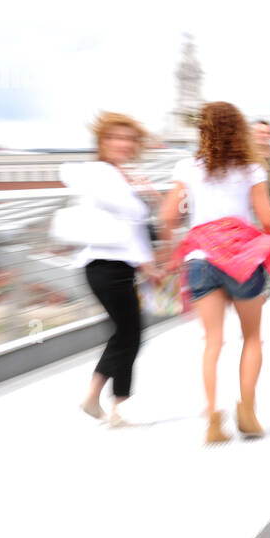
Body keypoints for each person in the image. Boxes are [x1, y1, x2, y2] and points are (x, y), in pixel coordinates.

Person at [159, 102, 270, 444]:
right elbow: (268, 219)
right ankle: (247, 409)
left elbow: (169, 214)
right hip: (243, 261)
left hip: (201, 260)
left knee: (212, 342)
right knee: (252, 337)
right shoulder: (251, 168)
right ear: (239, 130)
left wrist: (177, 242)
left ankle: (213, 419)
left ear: (203, 130)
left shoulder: (187, 167)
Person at [60, 112, 164, 428]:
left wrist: (139, 190)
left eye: (129, 139)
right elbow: (132, 219)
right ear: (103, 142)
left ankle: (105, 402)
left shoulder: (117, 175)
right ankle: (110, 403)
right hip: (107, 267)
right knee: (129, 333)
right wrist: (150, 266)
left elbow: (131, 224)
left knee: (126, 333)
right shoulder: (102, 174)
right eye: (116, 138)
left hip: (113, 266)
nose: (123, 144)